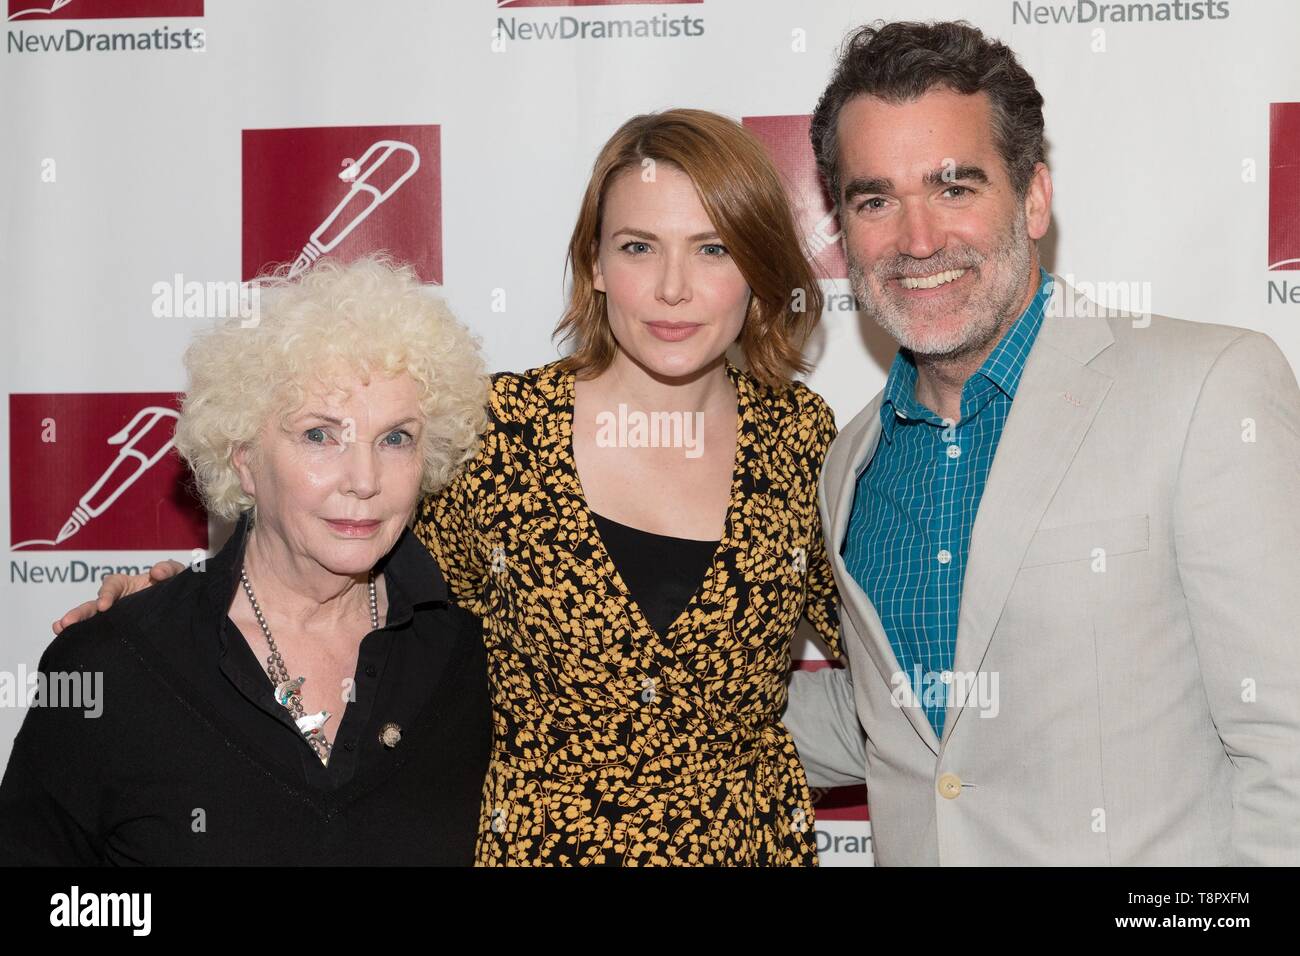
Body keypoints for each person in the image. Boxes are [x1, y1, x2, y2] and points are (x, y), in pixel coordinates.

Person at [51, 109, 844, 866]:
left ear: (758, 264)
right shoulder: (498, 433)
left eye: (713, 249)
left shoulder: (801, 439)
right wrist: (169, 619)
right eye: (639, 247)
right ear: (596, 265)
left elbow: (876, 652)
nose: (673, 287)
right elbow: (341, 577)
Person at [783, 20, 1300, 865]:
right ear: (842, 228)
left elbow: (1287, 739)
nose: (918, 240)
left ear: (1033, 198)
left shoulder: (1206, 389)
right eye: (876, 200)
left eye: (954, 187)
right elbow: (900, 719)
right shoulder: (852, 462)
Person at [2, 255, 493, 864]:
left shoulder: (469, 658)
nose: (365, 479)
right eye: (319, 435)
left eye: (396, 438)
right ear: (244, 460)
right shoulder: (116, 666)